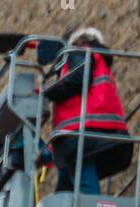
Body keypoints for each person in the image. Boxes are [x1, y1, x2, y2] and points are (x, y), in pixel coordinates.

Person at [40, 27, 130, 195]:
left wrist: (47, 93)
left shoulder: (78, 52)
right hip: (102, 130)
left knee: (84, 181)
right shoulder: (97, 56)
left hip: (83, 132)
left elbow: (79, 77)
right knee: (66, 182)